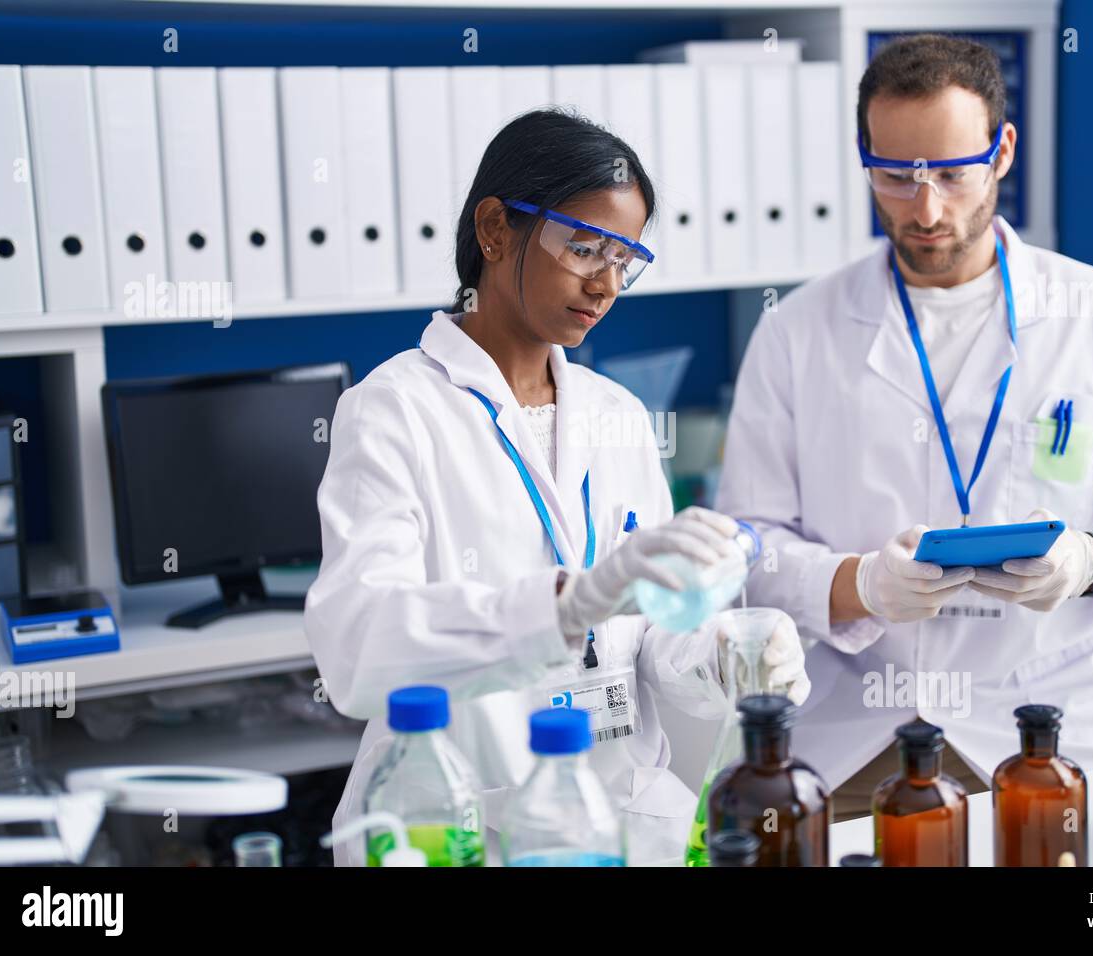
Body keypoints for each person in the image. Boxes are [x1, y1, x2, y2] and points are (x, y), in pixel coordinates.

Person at [716, 35, 1093, 820]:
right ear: (866, 158)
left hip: (1055, 734)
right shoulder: (797, 330)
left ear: (1003, 151)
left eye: (953, 173)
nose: (926, 209)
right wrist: (858, 586)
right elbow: (747, 546)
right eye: (895, 175)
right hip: (857, 741)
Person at [305, 109, 810, 863]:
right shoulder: (392, 411)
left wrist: (724, 653)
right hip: (458, 826)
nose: (606, 284)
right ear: (495, 228)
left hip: (619, 825)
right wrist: (565, 606)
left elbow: (649, 638)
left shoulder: (619, 416)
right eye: (584, 249)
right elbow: (361, 648)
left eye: (625, 258)